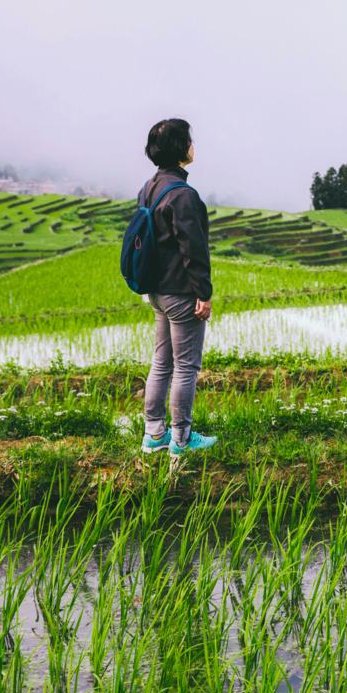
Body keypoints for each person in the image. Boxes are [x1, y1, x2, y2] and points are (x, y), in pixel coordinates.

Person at [138, 118, 218, 456]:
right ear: (181, 147)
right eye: (189, 139)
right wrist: (204, 294)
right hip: (181, 293)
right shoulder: (183, 195)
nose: (192, 144)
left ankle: (154, 434)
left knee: (162, 362)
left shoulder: (149, 187)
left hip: (156, 290)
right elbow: (193, 250)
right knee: (186, 367)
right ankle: (181, 439)